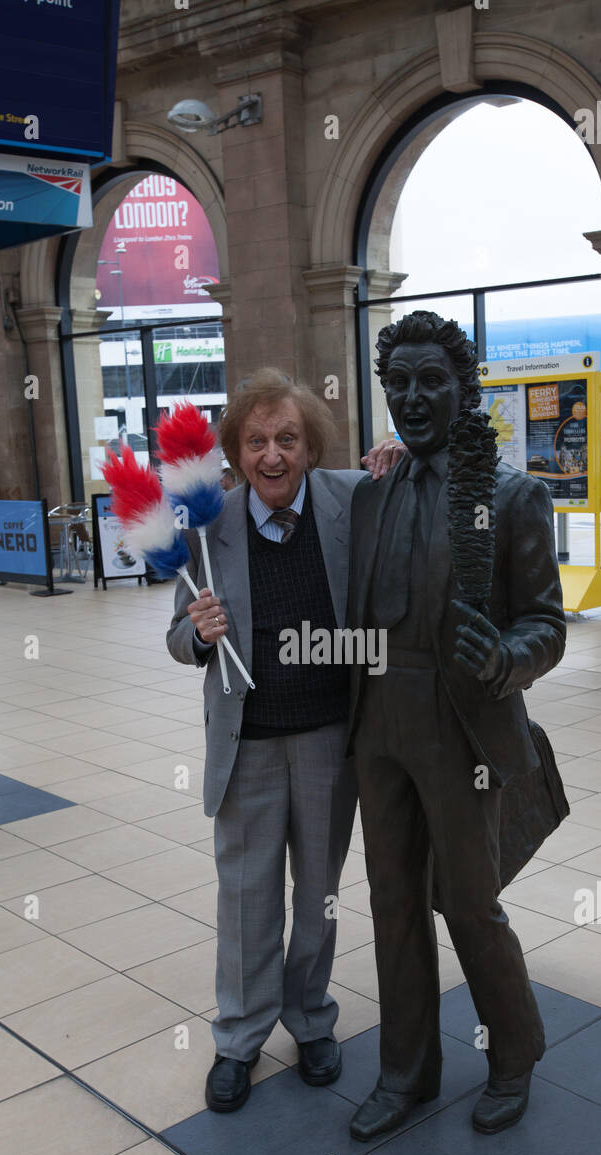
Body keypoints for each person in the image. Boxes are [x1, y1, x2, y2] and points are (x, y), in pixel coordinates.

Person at [346, 310, 567, 1142]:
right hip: (380, 727)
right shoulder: (372, 493)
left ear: (463, 389)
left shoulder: (512, 496)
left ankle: (515, 1055)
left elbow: (547, 623)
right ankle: (406, 1072)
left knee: (470, 905)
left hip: (462, 725)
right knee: (392, 902)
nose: (412, 397)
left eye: (431, 380)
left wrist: (506, 655)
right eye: (398, 382)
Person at [166, 369, 385, 1113]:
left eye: (286, 439)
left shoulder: (350, 500)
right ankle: (239, 1037)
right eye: (256, 441)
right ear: (234, 451)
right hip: (249, 742)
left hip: (330, 739)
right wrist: (197, 636)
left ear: (309, 444)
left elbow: (423, 489)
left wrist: (399, 458)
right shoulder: (206, 526)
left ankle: (310, 1018)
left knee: (318, 896)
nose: (271, 455)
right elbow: (175, 638)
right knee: (247, 897)